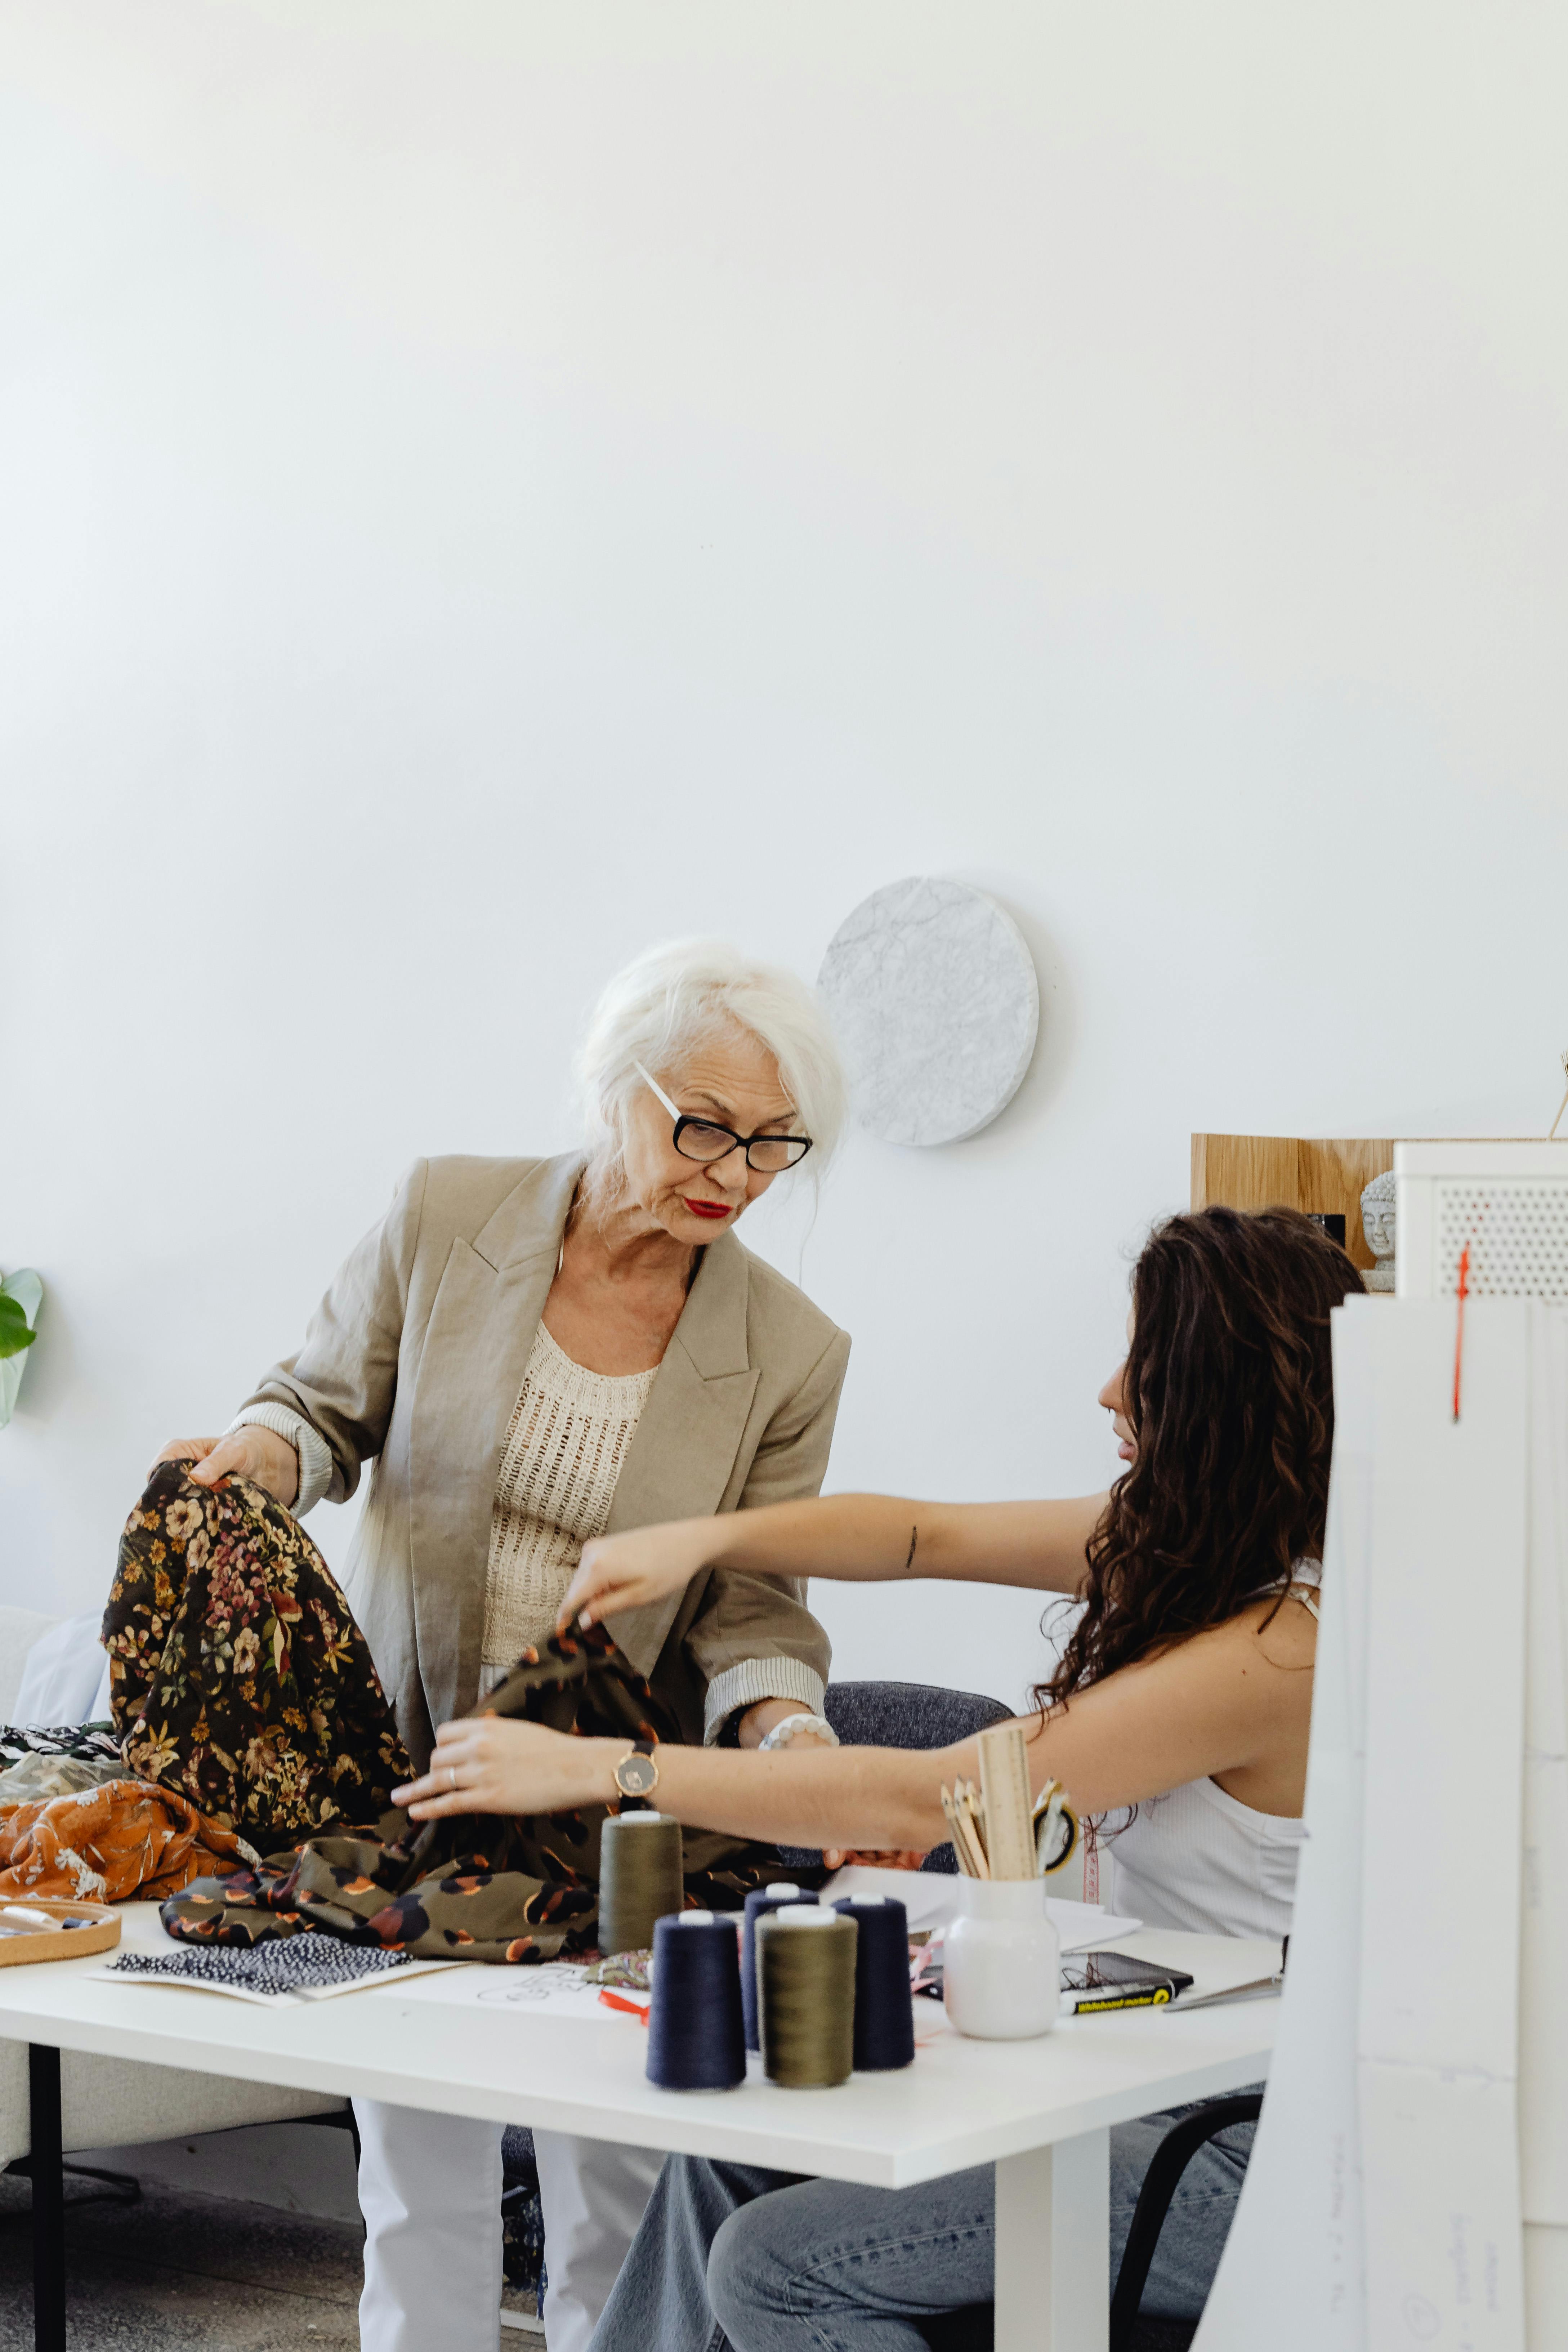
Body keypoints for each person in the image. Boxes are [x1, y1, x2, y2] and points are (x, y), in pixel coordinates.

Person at [395, 1206, 1362, 2345]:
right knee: (725, 2156)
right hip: (1146, 2067)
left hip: (1252, 2144)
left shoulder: (1280, 1650)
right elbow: (919, 1535)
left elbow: (928, 1792)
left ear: (1217, 1400)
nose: (1107, 1391)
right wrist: (700, 1539)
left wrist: (602, 1767)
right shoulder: (1194, 1546)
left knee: (776, 2266)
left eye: (1142, 1365)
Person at [155, 937, 854, 2352]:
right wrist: (261, 1456)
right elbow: (318, 1403)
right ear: (617, 1083)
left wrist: (797, 1741)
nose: (735, 1172)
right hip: (404, 1792)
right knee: (417, 2184)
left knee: (614, 2185)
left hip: (610, 1816)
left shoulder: (791, 1351)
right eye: (704, 1125)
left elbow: (755, 1606)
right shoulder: (446, 1214)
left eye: (775, 1142)